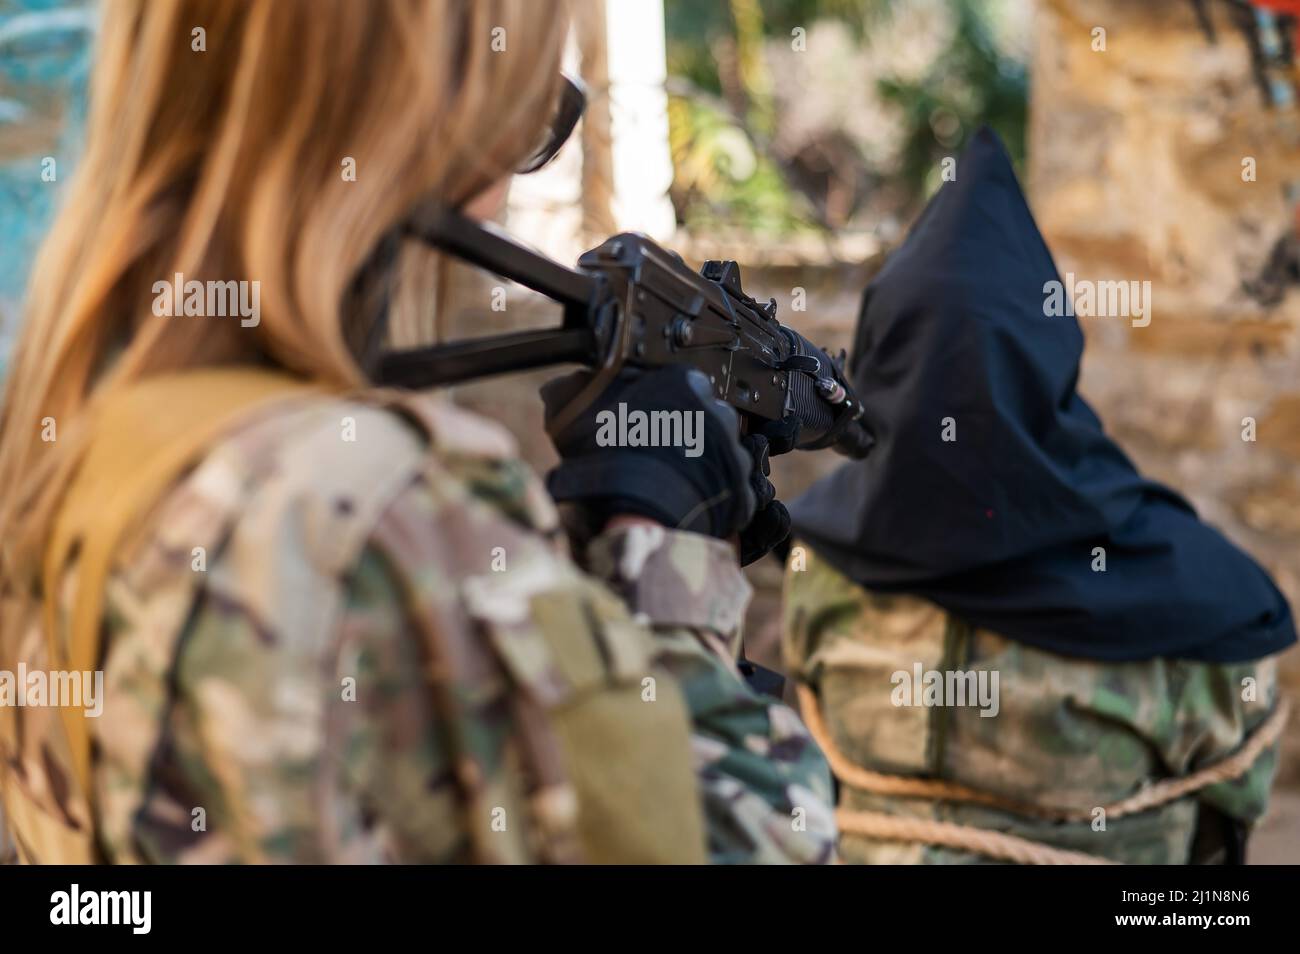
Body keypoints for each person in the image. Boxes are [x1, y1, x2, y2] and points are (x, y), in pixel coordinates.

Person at [0, 0, 834, 865]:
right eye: (529, 116)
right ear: (430, 112)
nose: (508, 181)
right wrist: (666, 549)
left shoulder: (62, 449)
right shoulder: (385, 507)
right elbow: (754, 841)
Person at [783, 129, 1295, 865]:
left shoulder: (820, 573)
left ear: (879, 358)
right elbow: (1230, 820)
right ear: (1048, 359)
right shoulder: (1203, 617)